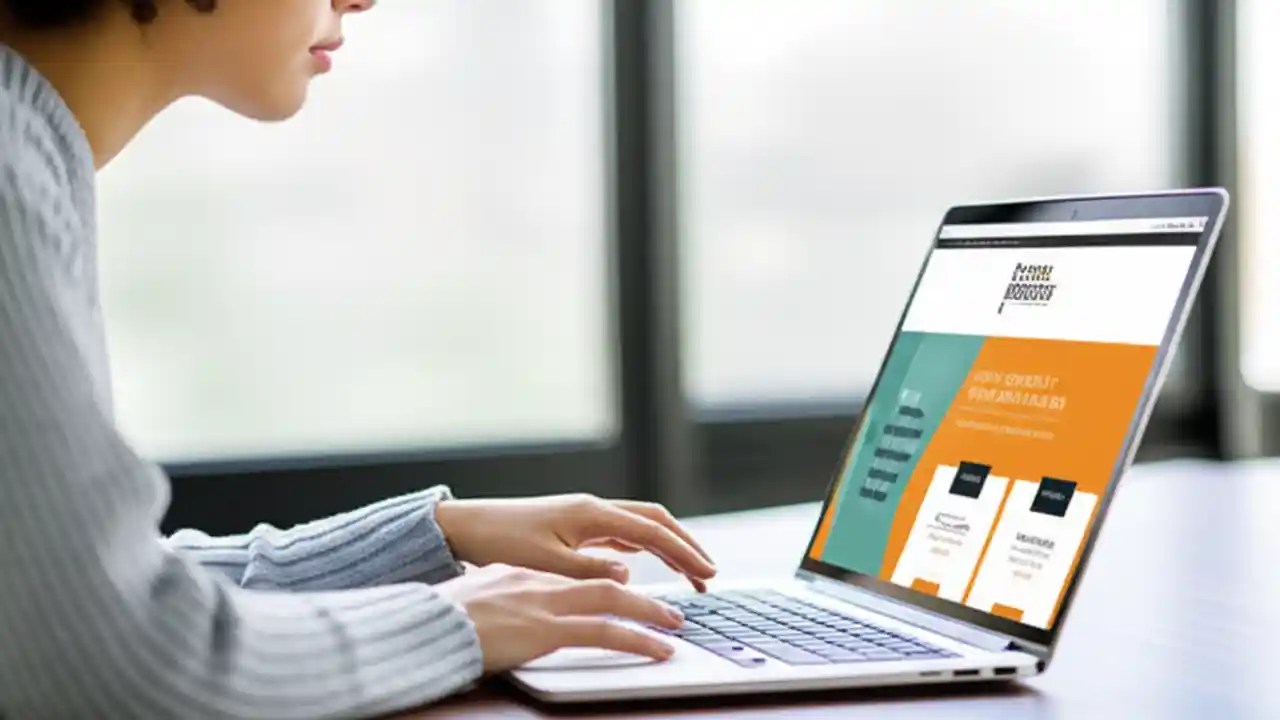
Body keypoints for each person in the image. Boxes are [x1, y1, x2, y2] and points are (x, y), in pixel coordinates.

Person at [0, 1, 718, 717]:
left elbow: (58, 599)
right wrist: (459, 623)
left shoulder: (29, 149)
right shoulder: (10, 176)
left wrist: (431, 537)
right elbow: (111, 662)